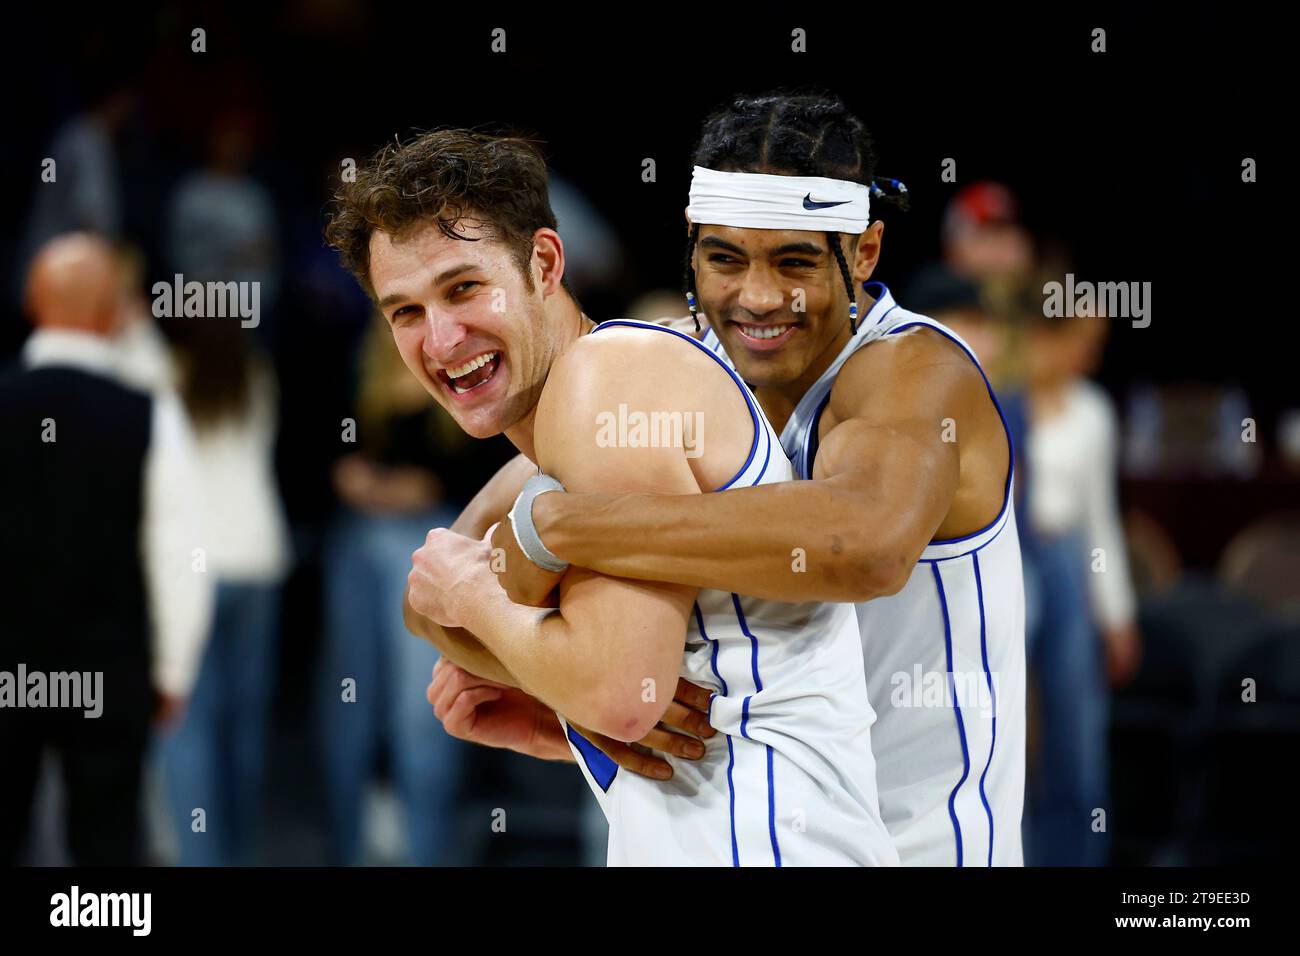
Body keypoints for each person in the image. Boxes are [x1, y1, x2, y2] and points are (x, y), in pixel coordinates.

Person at [452, 92, 1028, 866]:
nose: (757, 297)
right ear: (691, 249)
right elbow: (449, 581)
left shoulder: (918, 374)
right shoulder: (681, 367)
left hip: (927, 846)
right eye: (726, 258)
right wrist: (581, 692)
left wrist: (562, 528)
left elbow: (865, 548)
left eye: (793, 261)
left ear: (863, 253)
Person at [325, 128, 897, 866]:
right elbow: (423, 600)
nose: (439, 339)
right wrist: (558, 717)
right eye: (404, 312)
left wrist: (483, 608)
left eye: (464, 288)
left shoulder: (606, 386)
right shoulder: (578, 416)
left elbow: (624, 695)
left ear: (544, 263)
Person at [0, 233, 211, 864]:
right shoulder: (148, 413)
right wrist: (173, 670)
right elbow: (179, 556)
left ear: (31, 304)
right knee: (108, 847)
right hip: (111, 667)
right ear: (111, 311)